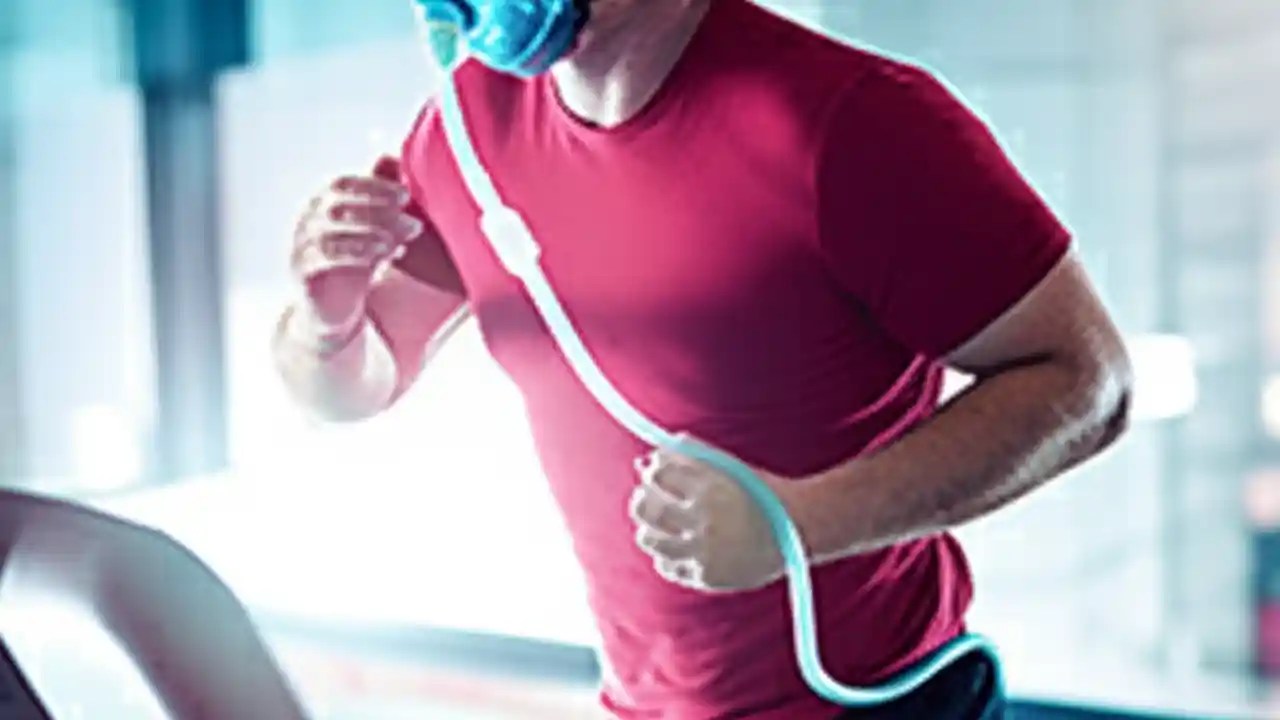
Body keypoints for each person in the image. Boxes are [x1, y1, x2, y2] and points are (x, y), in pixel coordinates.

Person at [272, 0, 1133, 717]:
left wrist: (800, 525)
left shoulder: (856, 124)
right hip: (637, 703)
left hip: (877, 702)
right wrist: (324, 321)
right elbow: (351, 389)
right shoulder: (467, 127)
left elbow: (1085, 380)